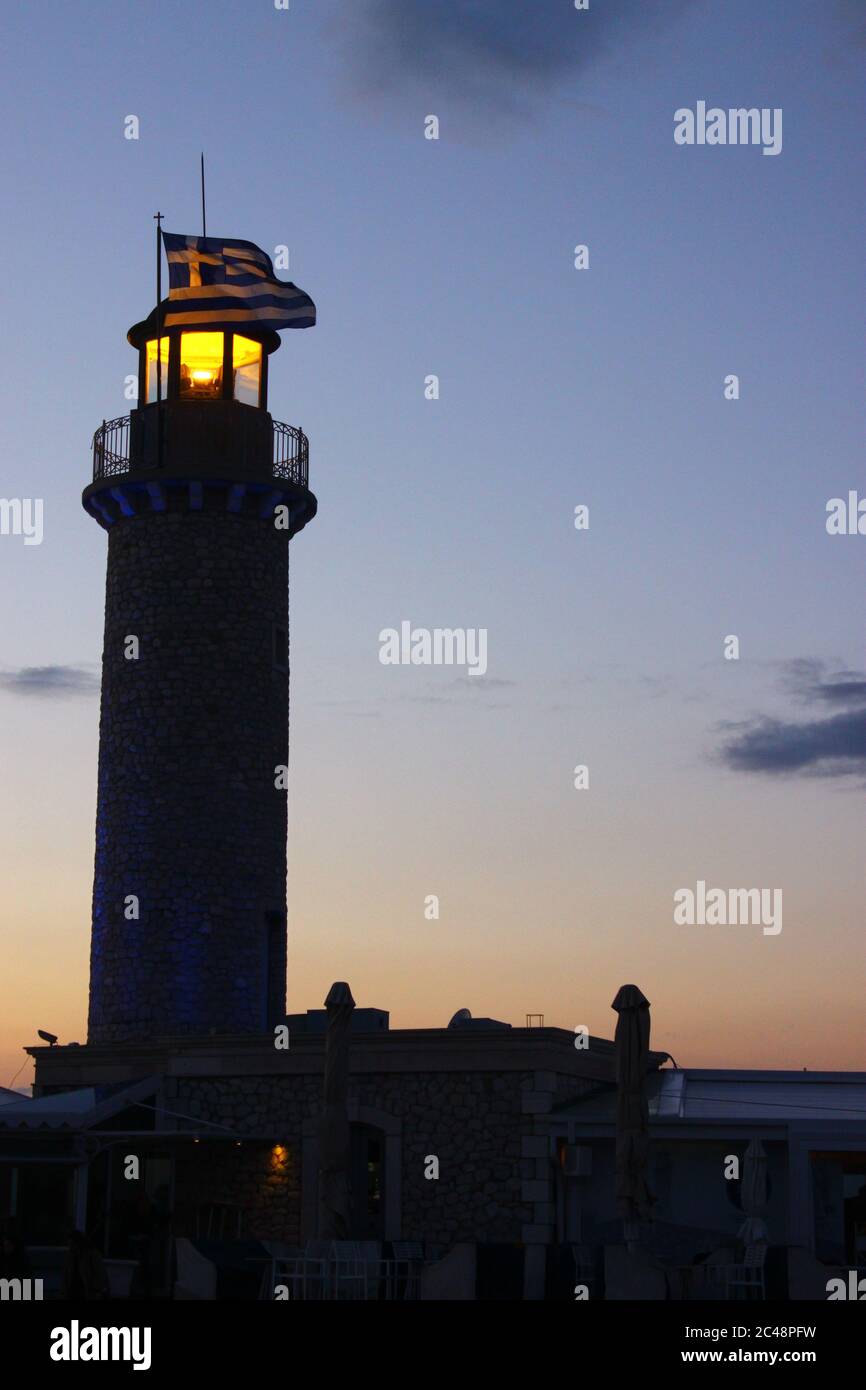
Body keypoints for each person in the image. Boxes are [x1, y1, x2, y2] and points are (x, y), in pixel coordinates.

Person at [62, 1229, 110, 1300]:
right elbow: (65, 1277)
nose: (70, 1247)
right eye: (69, 1245)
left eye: (72, 1244)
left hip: (86, 1293)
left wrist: (96, 1291)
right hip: (73, 1293)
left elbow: (100, 1275)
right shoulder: (70, 1257)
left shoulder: (92, 1255)